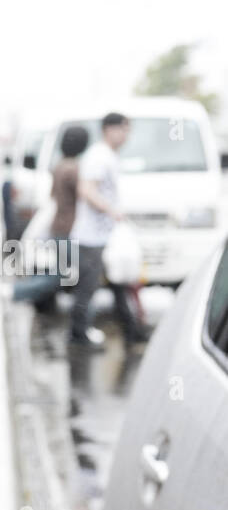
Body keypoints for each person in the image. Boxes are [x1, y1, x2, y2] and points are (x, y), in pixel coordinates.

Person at [70, 112, 149, 348]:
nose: (127, 135)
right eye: (124, 129)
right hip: (90, 236)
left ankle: (132, 330)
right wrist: (111, 210)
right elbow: (86, 190)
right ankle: (78, 334)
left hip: (103, 234)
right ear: (109, 129)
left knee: (119, 283)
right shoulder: (99, 156)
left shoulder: (107, 156)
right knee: (88, 286)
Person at [13, 125, 89, 310]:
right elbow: (85, 196)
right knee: (65, 274)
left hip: (60, 227)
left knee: (60, 272)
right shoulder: (73, 169)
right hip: (68, 228)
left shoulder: (60, 165)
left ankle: (19, 292)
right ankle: (15, 292)